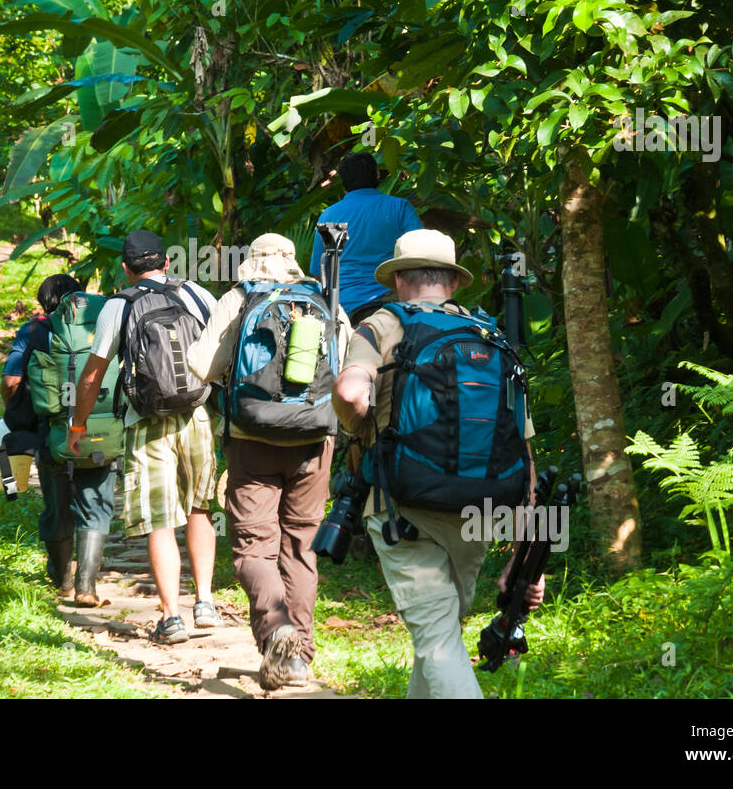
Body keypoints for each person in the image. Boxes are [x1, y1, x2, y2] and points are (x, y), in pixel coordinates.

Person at [332, 229, 545, 699]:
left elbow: (350, 392)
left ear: (400, 279)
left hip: (400, 505)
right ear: (451, 281)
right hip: (480, 511)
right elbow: (522, 448)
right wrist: (527, 551)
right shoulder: (488, 335)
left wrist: (358, 426)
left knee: (438, 639)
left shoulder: (383, 325)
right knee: (440, 635)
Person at [186, 233, 351, 689]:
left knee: (254, 548)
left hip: (252, 437)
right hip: (315, 441)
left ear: (250, 262)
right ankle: (300, 656)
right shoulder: (325, 298)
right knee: (301, 547)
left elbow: (201, 365)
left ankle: (277, 631)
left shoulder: (239, 299)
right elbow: (348, 365)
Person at [66, 230, 220, 645]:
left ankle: (172, 617)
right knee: (200, 507)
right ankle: (205, 602)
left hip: (145, 421)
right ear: (167, 262)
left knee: (158, 518)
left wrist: (78, 425)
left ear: (126, 269)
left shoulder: (118, 305)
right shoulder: (198, 295)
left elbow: (93, 375)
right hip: (197, 415)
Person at [0, 274, 117, 604]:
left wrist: (18, 407)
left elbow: (11, 382)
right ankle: (87, 586)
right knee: (97, 506)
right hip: (102, 431)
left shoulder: (35, 330)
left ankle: (63, 580)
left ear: (45, 304)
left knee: (56, 506)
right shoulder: (105, 322)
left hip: (52, 431)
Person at [309, 152, 423, 325]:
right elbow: (421, 255)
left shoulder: (328, 215)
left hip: (342, 309)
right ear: (377, 175)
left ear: (344, 182)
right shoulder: (399, 207)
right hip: (393, 303)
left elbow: (319, 272)